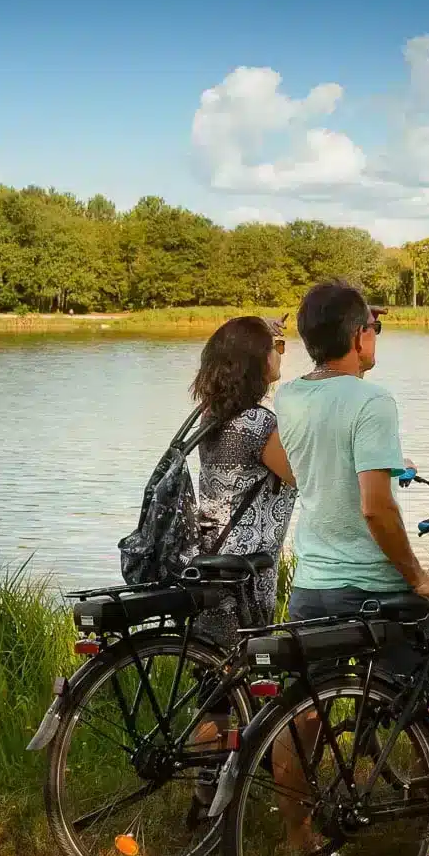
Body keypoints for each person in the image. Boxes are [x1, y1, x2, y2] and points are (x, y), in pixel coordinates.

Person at [273, 278, 429, 856]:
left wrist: (376, 466)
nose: (377, 337)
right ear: (356, 337)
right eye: (373, 327)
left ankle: (300, 844)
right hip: (375, 588)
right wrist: (418, 575)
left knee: (304, 712)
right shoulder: (373, 402)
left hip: (313, 582)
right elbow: (375, 508)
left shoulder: (291, 396)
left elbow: (307, 467)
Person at [185, 315, 298, 813]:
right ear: (256, 360)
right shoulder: (257, 423)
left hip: (209, 559)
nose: (282, 354)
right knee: (236, 682)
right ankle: (222, 789)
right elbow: (300, 475)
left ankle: (206, 789)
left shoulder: (212, 413)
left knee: (215, 684)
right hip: (244, 570)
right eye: (274, 346)